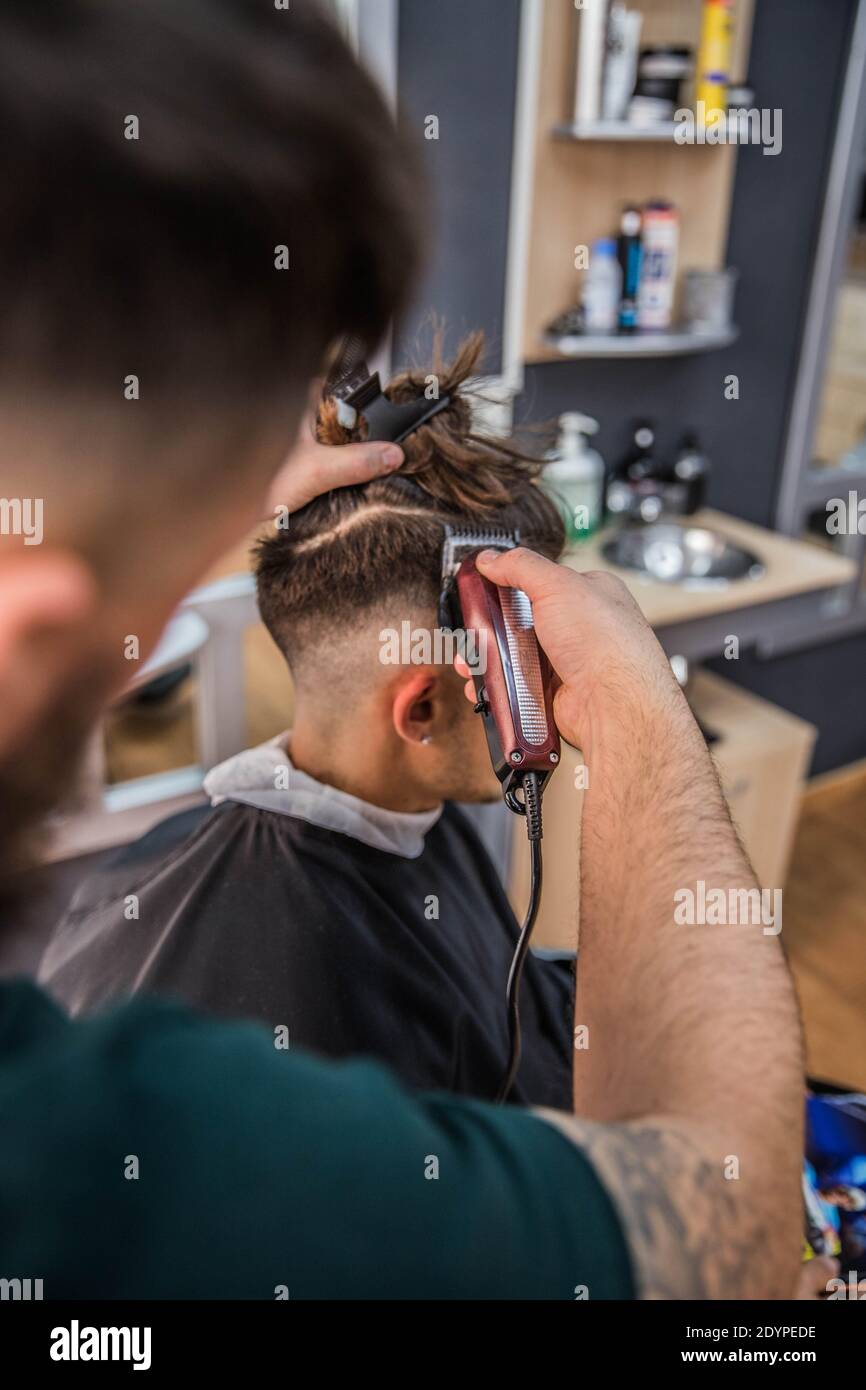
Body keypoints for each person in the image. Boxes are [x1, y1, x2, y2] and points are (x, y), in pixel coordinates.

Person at [0, 0, 803, 1299]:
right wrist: (645, 712)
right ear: (427, 699)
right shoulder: (174, 1140)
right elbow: (743, 1249)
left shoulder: (360, 862)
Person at [39, 335, 575, 1108]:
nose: (556, 684)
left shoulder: (424, 818)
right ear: (419, 707)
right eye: (533, 656)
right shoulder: (265, 1004)